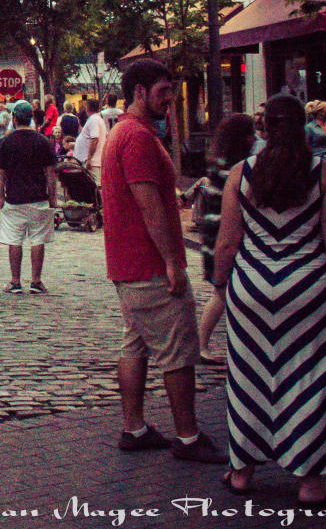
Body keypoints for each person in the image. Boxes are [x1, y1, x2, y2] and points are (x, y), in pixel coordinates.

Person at [212, 95, 326, 504]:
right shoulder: (323, 173)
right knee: (309, 379)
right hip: (308, 288)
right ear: (301, 127)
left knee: (245, 379)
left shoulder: (242, 174)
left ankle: (241, 471)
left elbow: (227, 243)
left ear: (265, 129)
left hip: (252, 288)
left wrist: (220, 285)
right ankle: (311, 482)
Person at [101, 59, 224, 464]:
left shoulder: (124, 132)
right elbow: (147, 202)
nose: (170, 101)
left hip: (129, 262)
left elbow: (149, 198)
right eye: (163, 92)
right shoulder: (135, 135)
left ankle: (134, 428)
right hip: (147, 262)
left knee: (135, 343)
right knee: (177, 351)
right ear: (139, 91)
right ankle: (187, 436)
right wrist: (172, 260)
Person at [192, 113, 256, 365]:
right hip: (223, 235)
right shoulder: (235, 167)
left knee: (225, 293)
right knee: (222, 292)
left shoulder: (221, 161)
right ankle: (201, 344)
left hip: (215, 234)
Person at [0, 100, 57, 294]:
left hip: (14, 197)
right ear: (30, 118)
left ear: (14, 118)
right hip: (38, 196)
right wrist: (52, 196)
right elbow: (50, 173)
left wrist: (0, 196)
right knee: (37, 239)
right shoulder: (43, 142)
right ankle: (36, 281)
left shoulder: (5, 142)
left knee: (15, 240)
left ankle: (15, 281)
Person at [74, 98, 108, 184]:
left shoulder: (94, 120)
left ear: (88, 107)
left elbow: (95, 139)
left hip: (92, 162)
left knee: (96, 185)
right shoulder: (96, 119)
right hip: (91, 161)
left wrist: (89, 159)